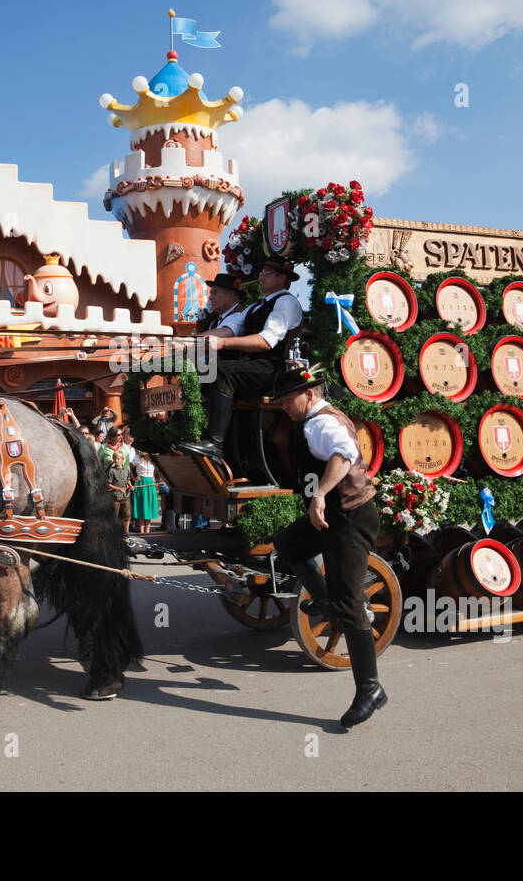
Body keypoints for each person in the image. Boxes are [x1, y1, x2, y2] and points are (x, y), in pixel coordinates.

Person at [268, 364, 386, 729]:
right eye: (281, 400)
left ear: (309, 394)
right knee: (288, 544)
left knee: (350, 605)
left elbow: (344, 453)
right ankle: (323, 600)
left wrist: (319, 494)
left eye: (288, 399)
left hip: (349, 519)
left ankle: (370, 688)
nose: (284, 406)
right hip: (332, 516)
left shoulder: (320, 423)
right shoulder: (313, 419)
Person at [179, 255, 304, 460]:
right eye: (261, 272)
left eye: (267, 272)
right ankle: (188, 436)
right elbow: (230, 329)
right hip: (255, 366)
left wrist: (223, 343)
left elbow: (267, 341)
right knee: (200, 375)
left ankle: (215, 444)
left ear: (282, 278)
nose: (261, 276)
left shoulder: (286, 302)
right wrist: (191, 342)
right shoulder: (256, 307)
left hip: (276, 369)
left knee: (221, 371)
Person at [195, 272, 248, 338]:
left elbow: (223, 333)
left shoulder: (239, 315)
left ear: (230, 295)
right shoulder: (215, 322)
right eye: (211, 293)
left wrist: (188, 341)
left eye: (215, 292)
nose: (210, 297)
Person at [106, 450, 133, 534]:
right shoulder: (111, 470)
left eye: (118, 459)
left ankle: (126, 532)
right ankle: (112, 533)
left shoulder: (127, 469)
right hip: (115, 497)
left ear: (122, 460)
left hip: (125, 496)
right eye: (115, 459)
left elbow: (128, 480)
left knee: (127, 515)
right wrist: (118, 488)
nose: (116, 461)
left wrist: (131, 486)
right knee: (114, 516)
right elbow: (108, 485)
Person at [130, 453, 158, 535]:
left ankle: (147, 531)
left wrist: (154, 477)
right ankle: (142, 531)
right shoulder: (137, 458)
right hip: (141, 482)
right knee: (142, 506)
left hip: (150, 483)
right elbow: (129, 468)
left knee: (149, 506)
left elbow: (157, 470)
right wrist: (134, 478)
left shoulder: (153, 458)